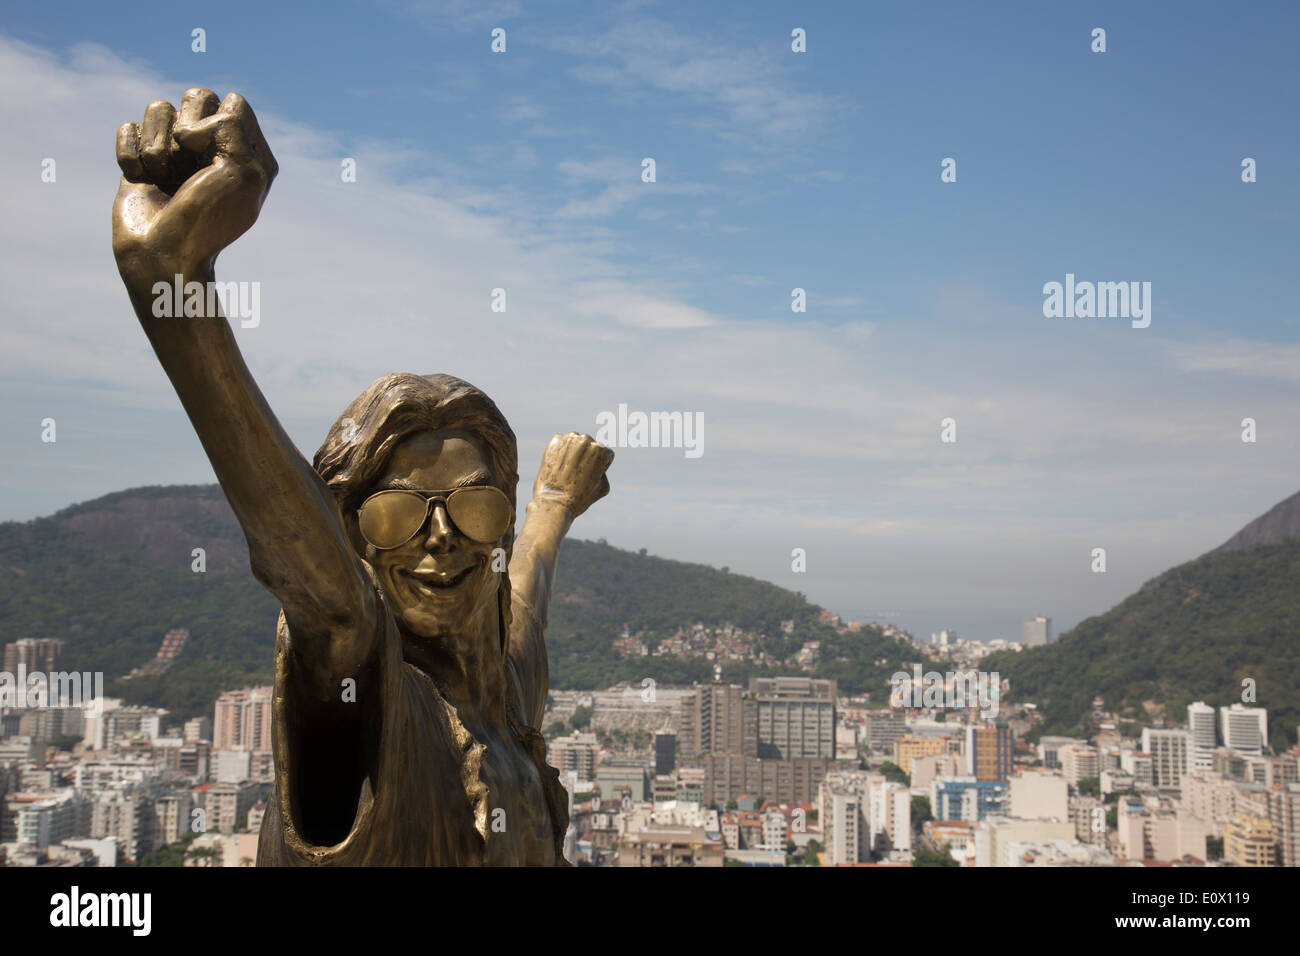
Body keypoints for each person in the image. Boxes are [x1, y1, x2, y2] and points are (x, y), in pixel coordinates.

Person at [111, 88, 613, 865]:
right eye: (397, 515)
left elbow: (525, 608)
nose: (441, 538)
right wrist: (169, 284)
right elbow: (325, 594)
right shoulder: (375, 702)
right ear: (349, 534)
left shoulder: (500, 702)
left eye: (474, 508)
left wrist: (550, 505)